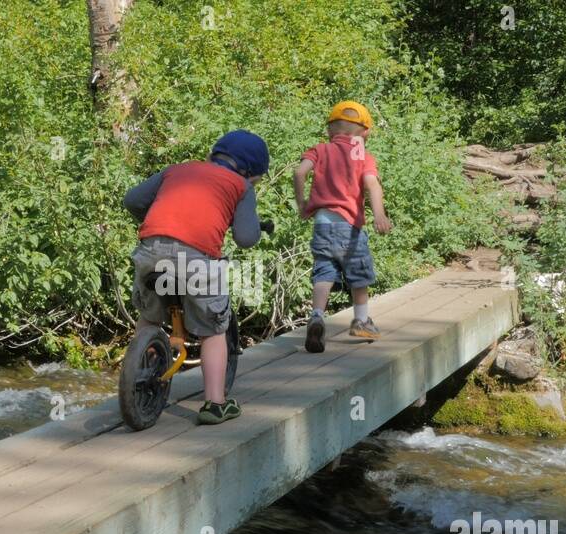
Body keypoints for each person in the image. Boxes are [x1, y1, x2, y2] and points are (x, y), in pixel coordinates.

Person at [123, 130, 269, 425]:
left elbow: (132, 200)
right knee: (213, 329)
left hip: (151, 250)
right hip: (196, 261)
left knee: (149, 317)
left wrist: (162, 222)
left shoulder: (178, 169)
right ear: (251, 174)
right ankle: (215, 404)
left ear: (211, 156)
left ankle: (137, 374)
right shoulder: (241, 186)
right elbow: (245, 238)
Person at [292, 100, 393, 354]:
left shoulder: (320, 150)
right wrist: (379, 213)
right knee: (358, 273)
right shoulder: (364, 157)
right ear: (366, 133)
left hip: (322, 224)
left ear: (329, 131)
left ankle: (316, 316)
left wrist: (303, 204)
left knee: (324, 270)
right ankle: (360, 321)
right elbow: (372, 184)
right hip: (351, 228)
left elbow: (299, 173)